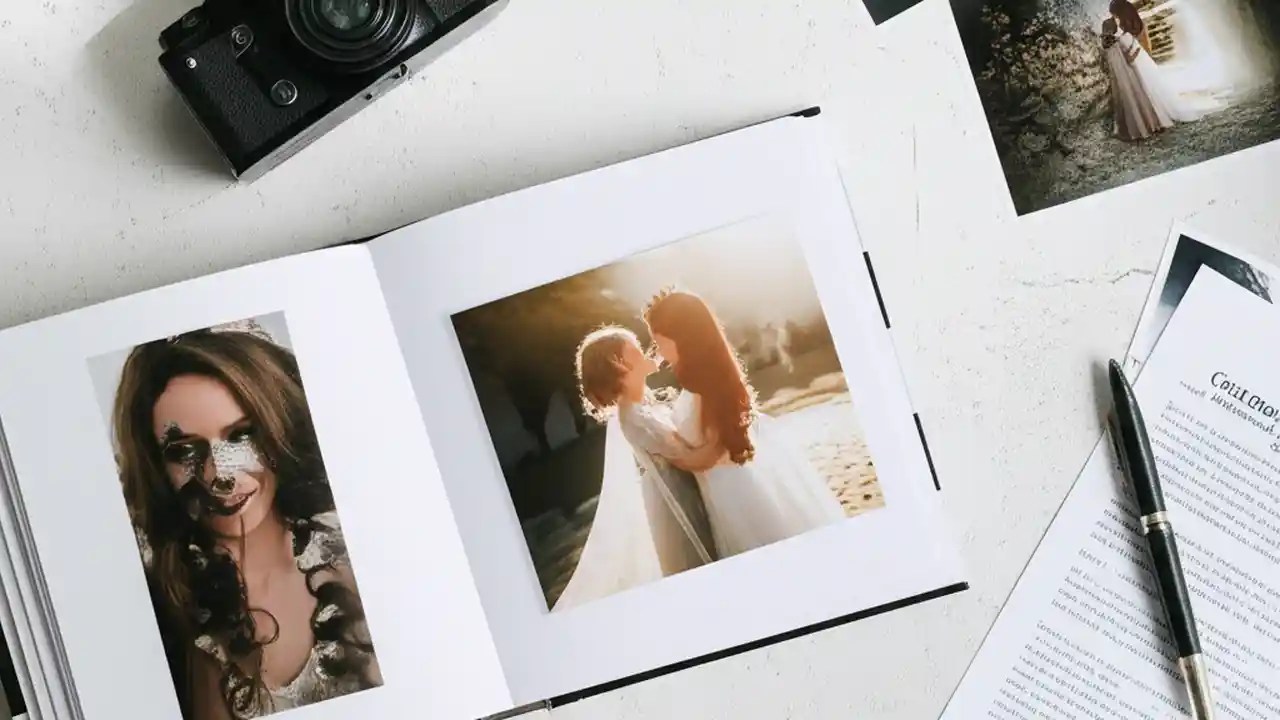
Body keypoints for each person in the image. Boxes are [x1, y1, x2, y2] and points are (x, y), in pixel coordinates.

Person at [112, 323, 380, 719]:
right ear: (156, 466)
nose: (219, 473)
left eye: (240, 435)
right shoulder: (156, 609)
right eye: (184, 450)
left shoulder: (356, 551)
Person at [643, 289, 845, 558]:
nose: (658, 351)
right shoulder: (696, 386)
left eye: (660, 341)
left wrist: (665, 455)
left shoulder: (709, 386)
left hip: (734, 494)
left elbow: (708, 457)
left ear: (683, 338)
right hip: (722, 488)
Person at [552, 327, 719, 610]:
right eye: (635, 348)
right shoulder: (636, 417)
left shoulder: (643, 403)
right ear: (619, 365)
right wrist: (724, 433)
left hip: (683, 486)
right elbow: (694, 460)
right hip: (678, 499)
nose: (645, 349)